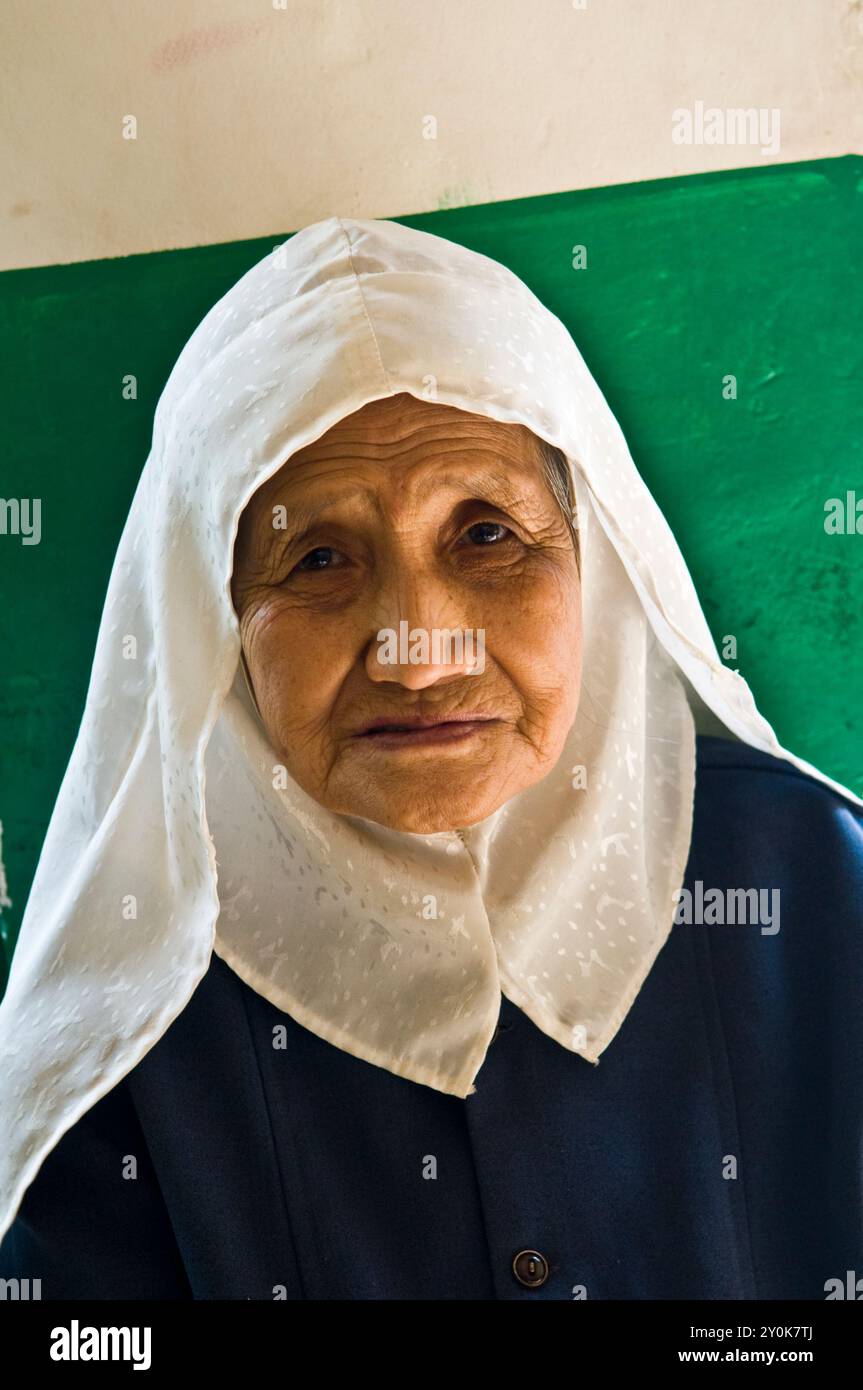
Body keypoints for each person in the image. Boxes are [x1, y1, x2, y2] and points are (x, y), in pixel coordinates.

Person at [0, 216, 861, 1301]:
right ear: (213, 619)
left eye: (486, 534)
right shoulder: (134, 1000)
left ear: (586, 549)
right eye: (316, 557)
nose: (417, 652)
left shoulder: (813, 888)